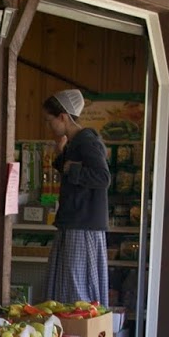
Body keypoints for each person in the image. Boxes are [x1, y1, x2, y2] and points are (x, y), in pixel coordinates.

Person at [40, 88, 111, 304]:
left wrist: (72, 168)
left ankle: (82, 333)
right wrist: (62, 158)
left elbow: (103, 177)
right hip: (74, 222)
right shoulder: (74, 143)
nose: (48, 125)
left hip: (82, 225)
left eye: (50, 120)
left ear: (63, 117)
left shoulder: (87, 140)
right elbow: (72, 173)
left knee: (77, 286)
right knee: (66, 285)